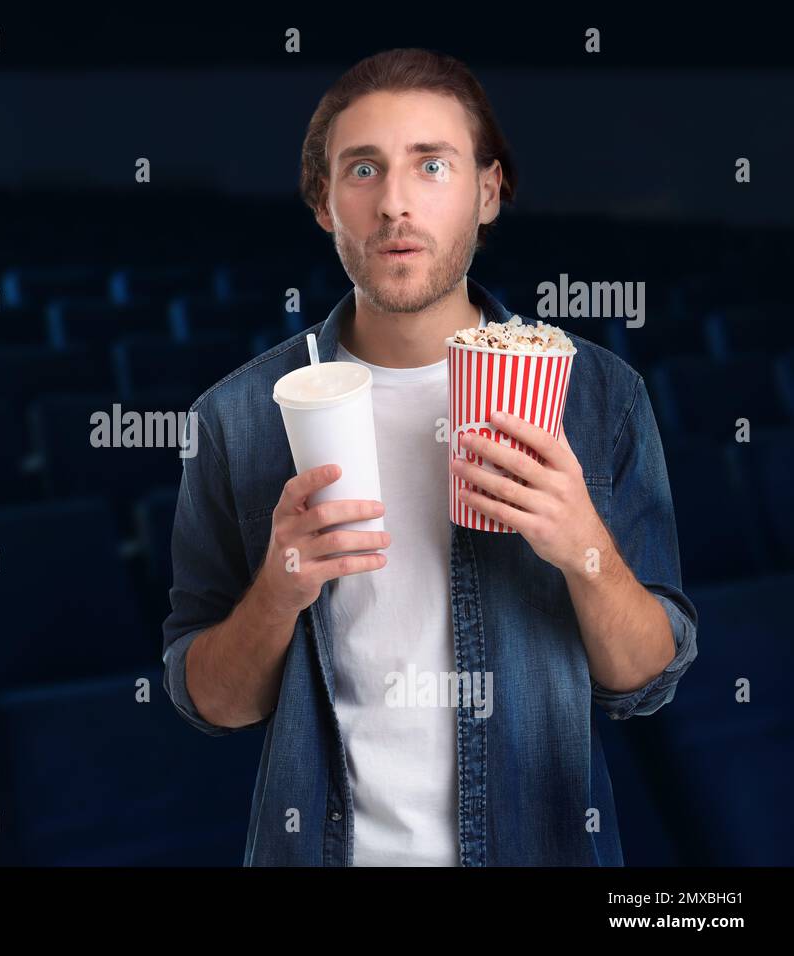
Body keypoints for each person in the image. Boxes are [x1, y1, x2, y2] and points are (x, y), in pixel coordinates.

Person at [161, 47, 698, 866]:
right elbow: (209, 702)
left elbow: (647, 682)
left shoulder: (600, 397)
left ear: (488, 192)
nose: (395, 204)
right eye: (363, 169)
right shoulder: (235, 418)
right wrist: (277, 593)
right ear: (323, 203)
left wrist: (583, 551)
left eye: (433, 165)